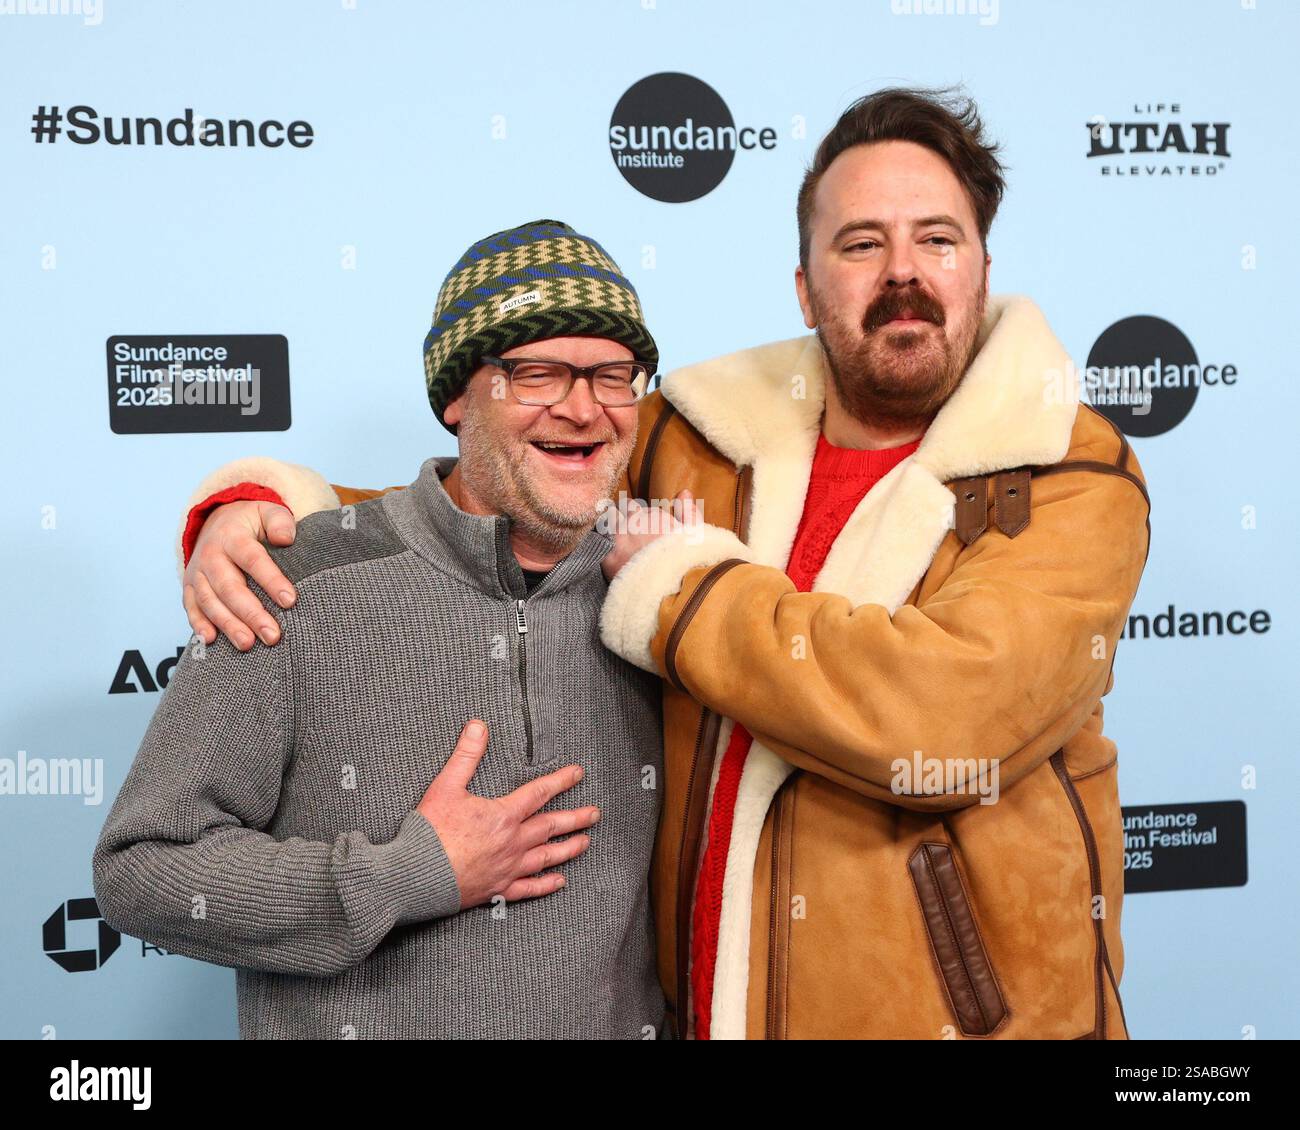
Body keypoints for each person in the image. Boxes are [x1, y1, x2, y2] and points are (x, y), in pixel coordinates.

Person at [169, 88, 1152, 1039]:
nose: (903, 270)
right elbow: (514, 488)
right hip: (711, 1009)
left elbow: (946, 714)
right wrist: (279, 511)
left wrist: (684, 588)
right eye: (861, 243)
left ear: (981, 270)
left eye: (937, 238)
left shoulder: (1062, 465)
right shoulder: (708, 434)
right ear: (806, 288)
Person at [93, 219, 669, 1039]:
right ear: (456, 398)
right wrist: (409, 873)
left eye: (614, 375)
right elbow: (142, 869)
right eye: (537, 372)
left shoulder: (660, 603)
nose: (583, 409)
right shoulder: (293, 582)